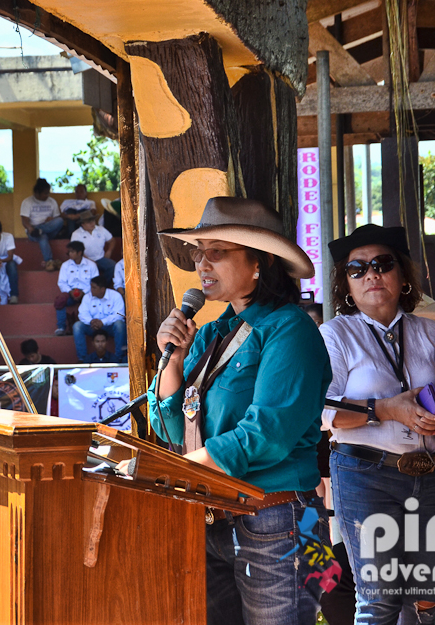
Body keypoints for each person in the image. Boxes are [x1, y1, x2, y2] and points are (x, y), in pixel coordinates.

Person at [149, 197, 333, 625]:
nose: (201, 263)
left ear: (260, 263)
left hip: (278, 518)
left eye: (217, 251)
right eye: (198, 252)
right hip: (211, 517)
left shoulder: (291, 328)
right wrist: (172, 360)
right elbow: (171, 426)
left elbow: (267, 432)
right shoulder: (211, 332)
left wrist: (183, 472)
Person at [320, 224, 435, 625]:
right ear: (346, 284)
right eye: (357, 269)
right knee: (379, 600)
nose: (371, 274)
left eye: (382, 264)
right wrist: (386, 409)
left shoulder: (430, 332)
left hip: (428, 474)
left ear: (402, 276)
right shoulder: (336, 334)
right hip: (364, 475)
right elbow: (324, 411)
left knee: (426, 596)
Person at [74, 276, 126, 364]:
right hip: (92, 326)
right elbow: (82, 313)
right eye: (91, 287)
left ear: (102, 289)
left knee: (120, 325)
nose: (91, 290)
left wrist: (103, 322)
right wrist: (91, 321)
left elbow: (119, 314)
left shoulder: (115, 296)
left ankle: (119, 357)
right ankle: (82, 359)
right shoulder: (87, 297)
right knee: (77, 326)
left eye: (94, 288)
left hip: (109, 327)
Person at [55, 241, 99, 336]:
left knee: (96, 300)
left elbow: (96, 282)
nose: (69, 254)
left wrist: (83, 292)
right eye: (69, 252)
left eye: (72, 252)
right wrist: (70, 291)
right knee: (60, 300)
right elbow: (61, 282)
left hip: (87, 292)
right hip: (70, 292)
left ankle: (92, 326)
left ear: (79, 253)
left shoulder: (91, 265)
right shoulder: (65, 265)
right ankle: (61, 327)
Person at [20, 178, 64, 270]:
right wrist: (31, 229)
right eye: (45, 193)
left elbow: (57, 219)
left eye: (48, 193)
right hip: (33, 231)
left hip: (49, 228)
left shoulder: (52, 201)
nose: (47, 195)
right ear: (36, 192)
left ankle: (40, 230)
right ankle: (49, 261)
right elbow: (24, 220)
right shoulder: (27, 202)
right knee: (42, 236)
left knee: (60, 221)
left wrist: (51, 219)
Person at [71, 211, 117, 283]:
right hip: (84, 260)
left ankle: (103, 285)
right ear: (83, 224)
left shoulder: (101, 229)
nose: (92, 223)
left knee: (113, 266)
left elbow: (112, 240)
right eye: (89, 222)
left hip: (100, 258)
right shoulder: (76, 234)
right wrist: (89, 261)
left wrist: (109, 251)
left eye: (92, 220)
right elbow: (75, 251)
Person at [0, 220, 19, 304]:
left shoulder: (8, 237)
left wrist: (0, 261)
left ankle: (14, 295)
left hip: (6, 259)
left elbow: (10, 256)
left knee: (12, 265)